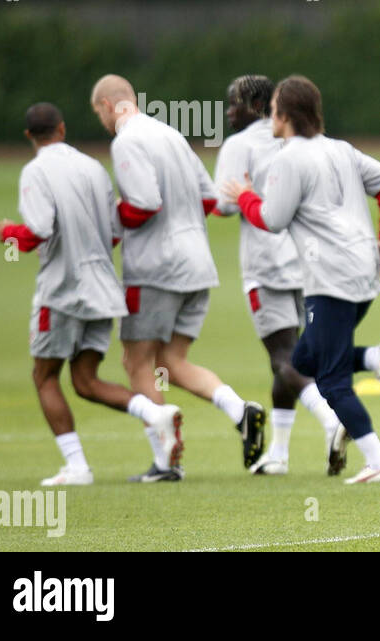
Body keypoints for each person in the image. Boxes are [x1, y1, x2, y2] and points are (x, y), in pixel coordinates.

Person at [221, 75, 380, 485]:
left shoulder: (290, 158)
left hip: (330, 278)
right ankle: (374, 358)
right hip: (361, 270)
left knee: (330, 378)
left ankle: (378, 460)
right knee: (302, 360)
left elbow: (271, 220)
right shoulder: (340, 148)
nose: (268, 118)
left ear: (285, 115)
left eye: (272, 111)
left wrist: (245, 196)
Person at [90, 74, 263, 481]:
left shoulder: (127, 141)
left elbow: (145, 204)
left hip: (155, 269)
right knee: (172, 360)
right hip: (197, 263)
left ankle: (167, 461)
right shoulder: (171, 134)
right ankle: (241, 411)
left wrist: (110, 216)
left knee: (136, 362)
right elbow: (210, 199)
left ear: (105, 106)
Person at [0, 103, 180, 485]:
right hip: (103, 290)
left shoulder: (35, 171)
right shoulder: (93, 167)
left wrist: (8, 234)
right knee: (85, 381)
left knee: (45, 376)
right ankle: (154, 412)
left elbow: (38, 230)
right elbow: (115, 230)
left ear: (30, 136)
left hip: (61, 290)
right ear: (62, 129)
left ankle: (77, 467)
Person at [213, 74, 347, 476]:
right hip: (307, 260)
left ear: (252, 106)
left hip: (266, 265)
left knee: (283, 357)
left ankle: (331, 420)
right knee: (289, 360)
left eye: (233, 104)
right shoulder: (299, 140)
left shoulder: (238, 146)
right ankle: (280, 453)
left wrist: (237, 195)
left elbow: (224, 204)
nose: (228, 112)